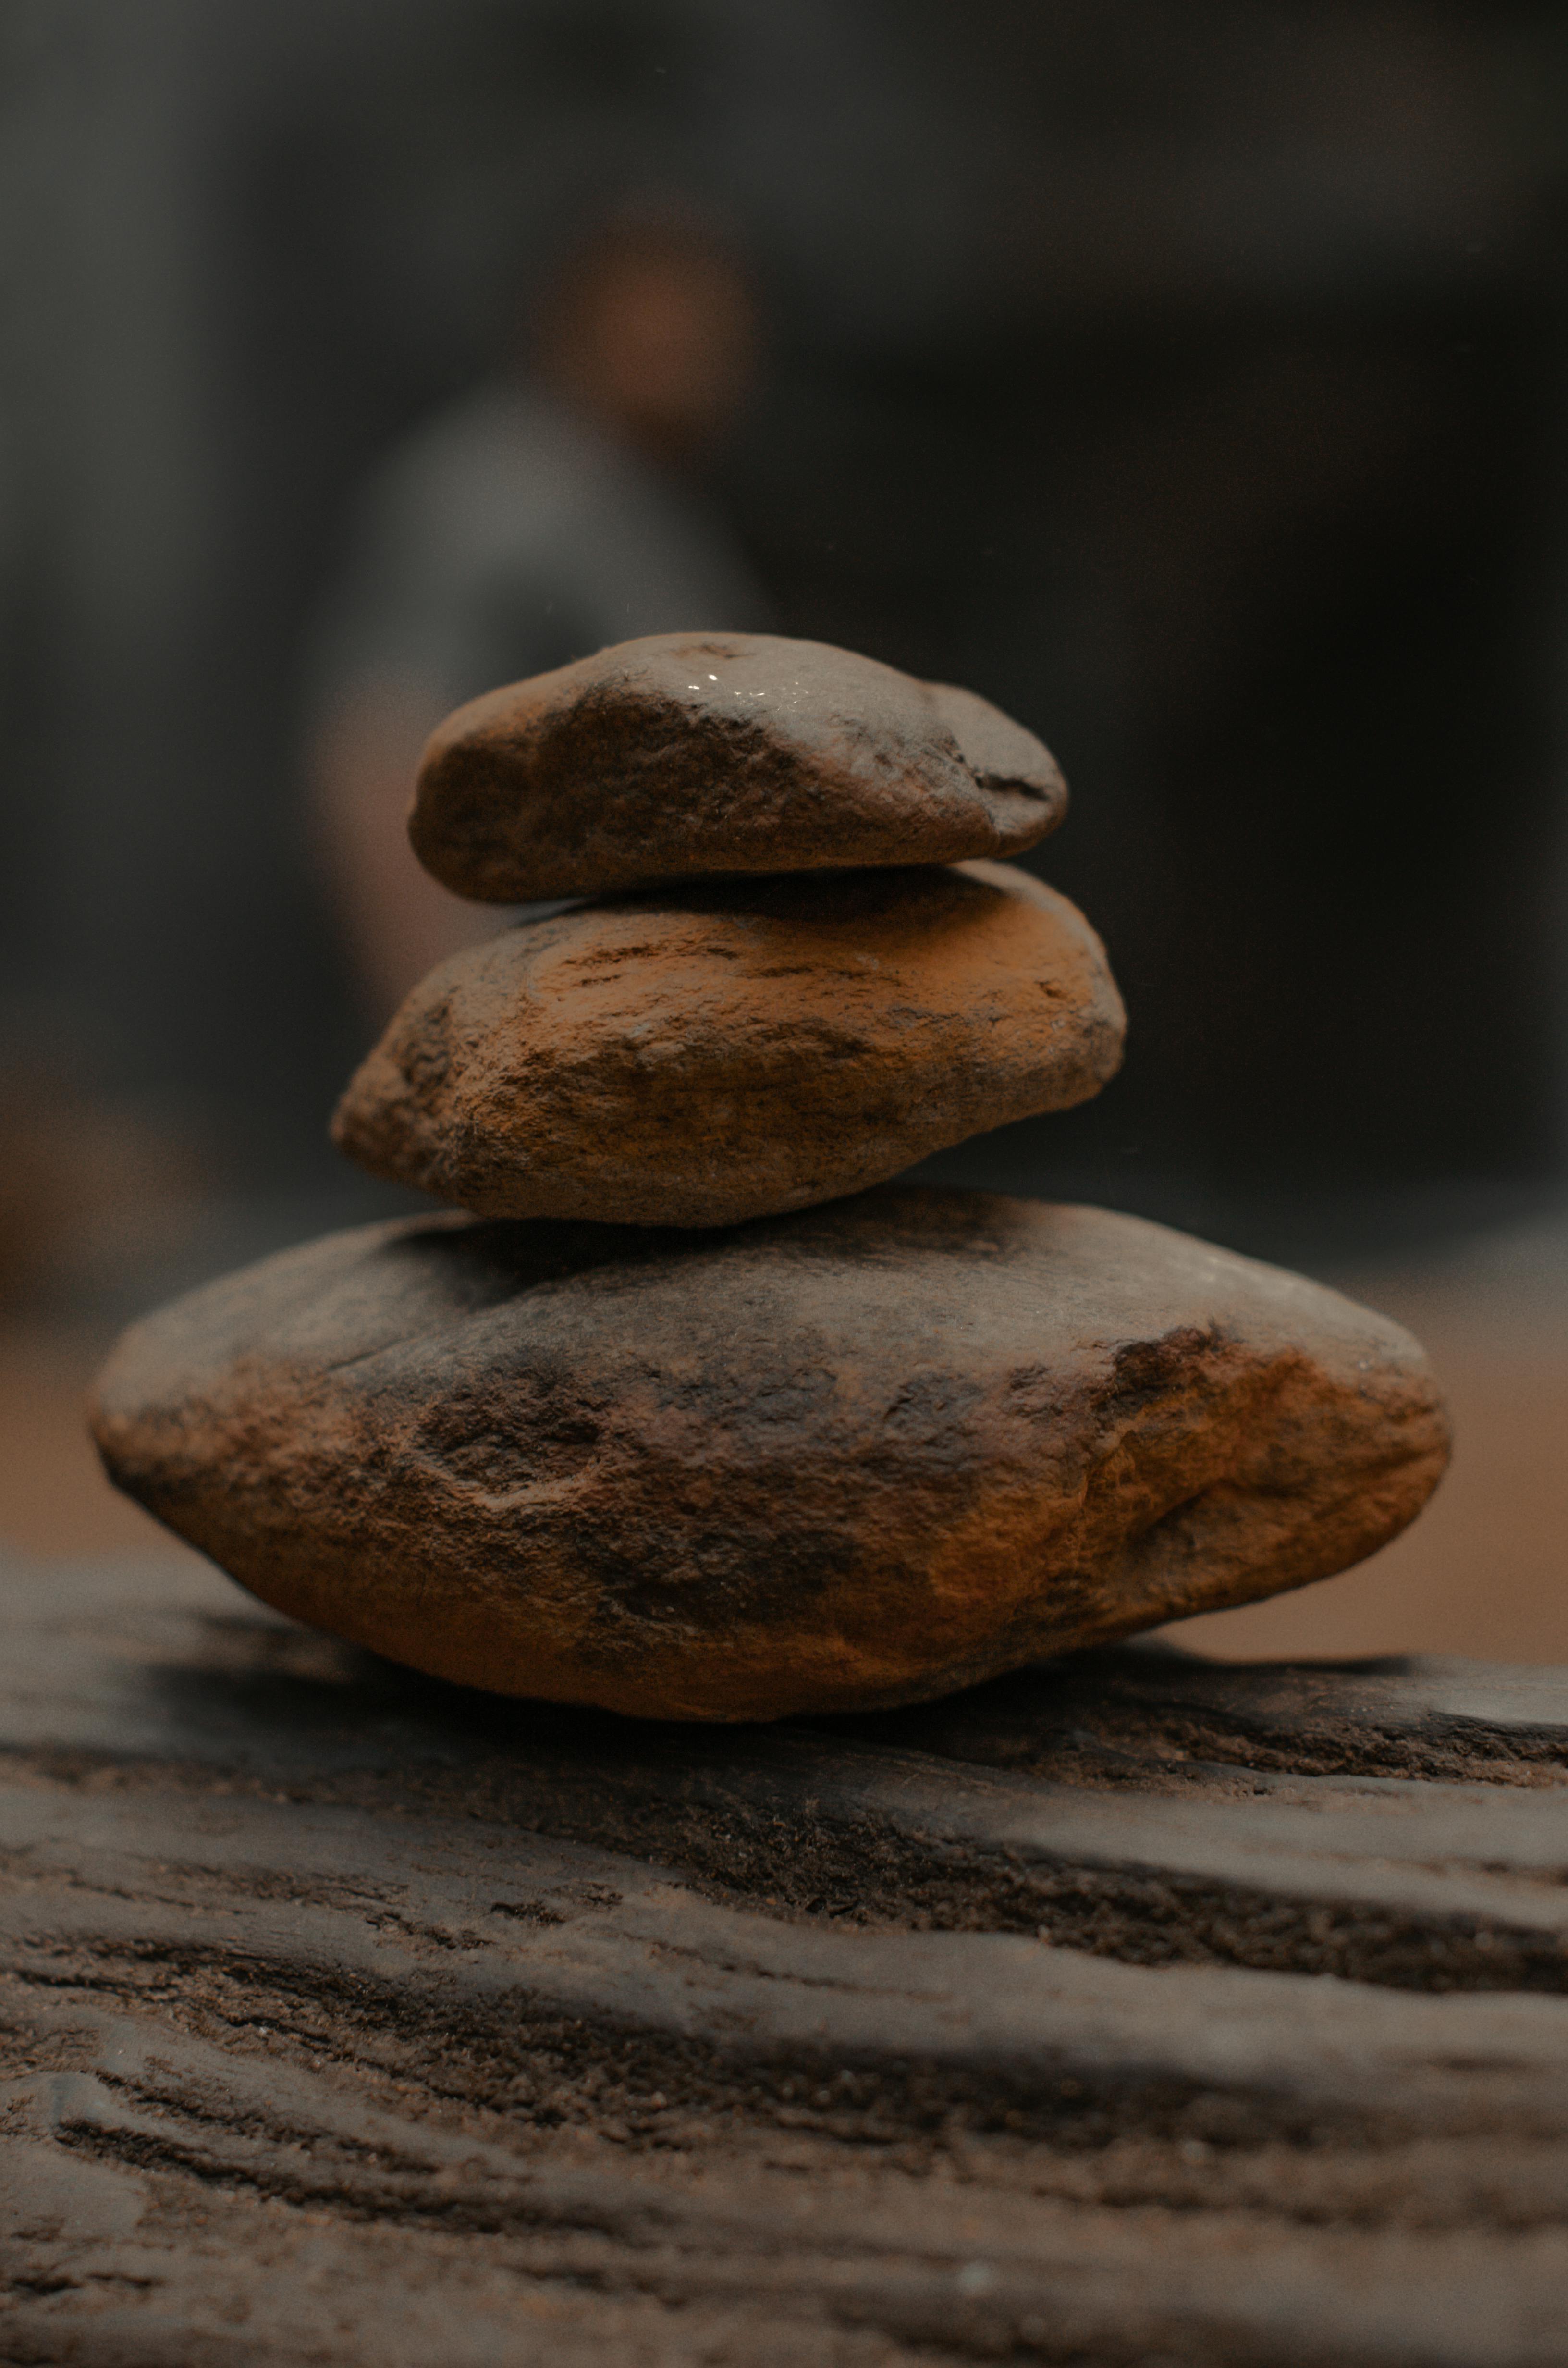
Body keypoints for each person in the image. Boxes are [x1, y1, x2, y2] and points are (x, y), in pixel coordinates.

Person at [309, 208, 772, 1018]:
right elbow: (375, 753)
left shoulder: (645, 508)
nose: (698, 348)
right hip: (539, 1016)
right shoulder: (494, 494)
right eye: (664, 315)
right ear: (579, 320)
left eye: (716, 320)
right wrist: (453, 1036)